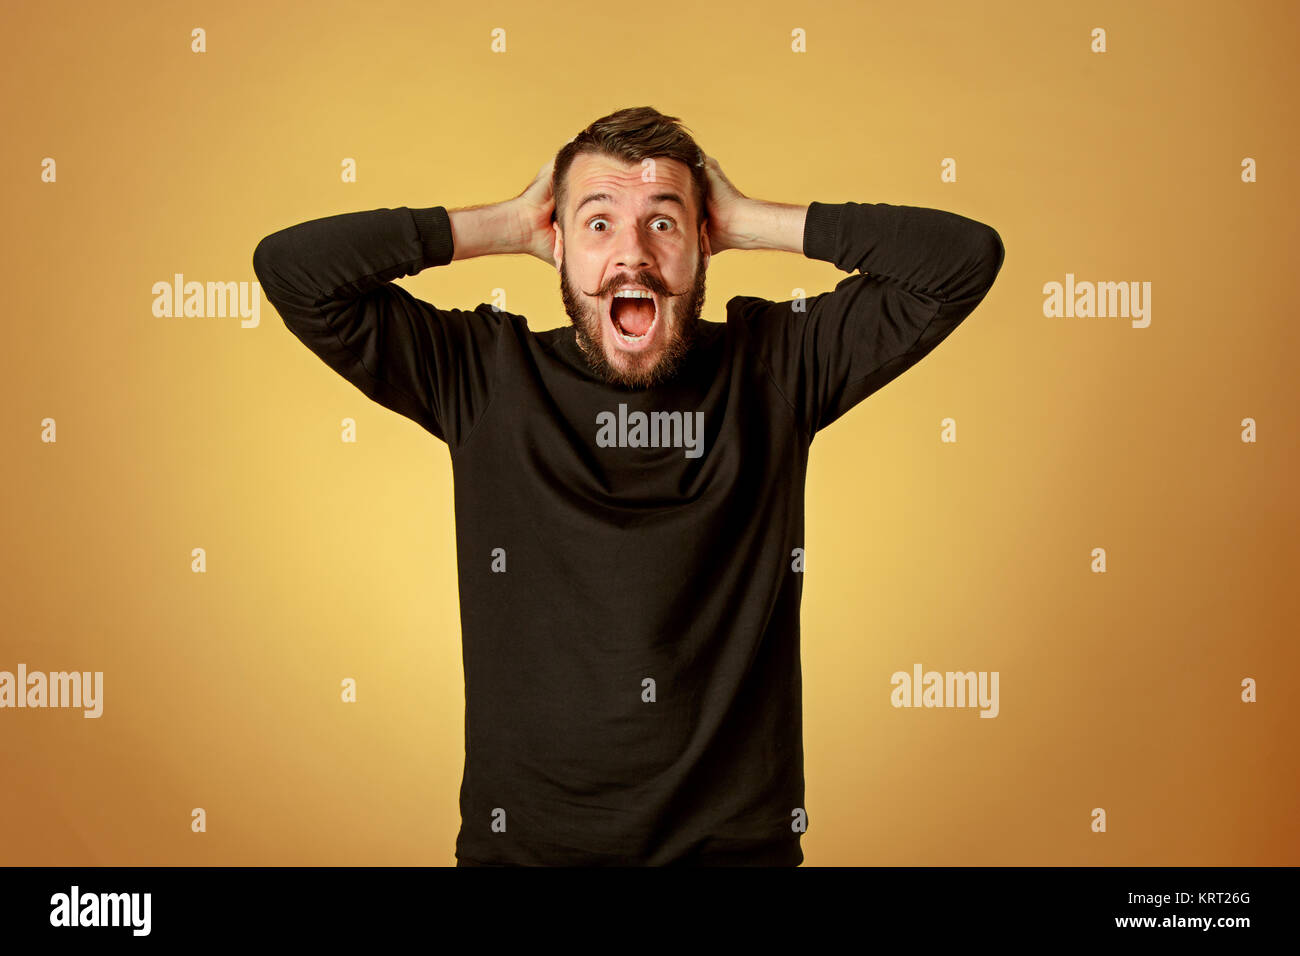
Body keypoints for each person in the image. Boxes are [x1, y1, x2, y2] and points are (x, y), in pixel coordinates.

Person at [252, 106, 1005, 866]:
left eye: (663, 223)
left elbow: (962, 261)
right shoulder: (485, 377)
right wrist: (500, 225)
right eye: (599, 223)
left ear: (703, 242)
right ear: (557, 244)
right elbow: (294, 272)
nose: (632, 256)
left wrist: (750, 220)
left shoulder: (776, 368)